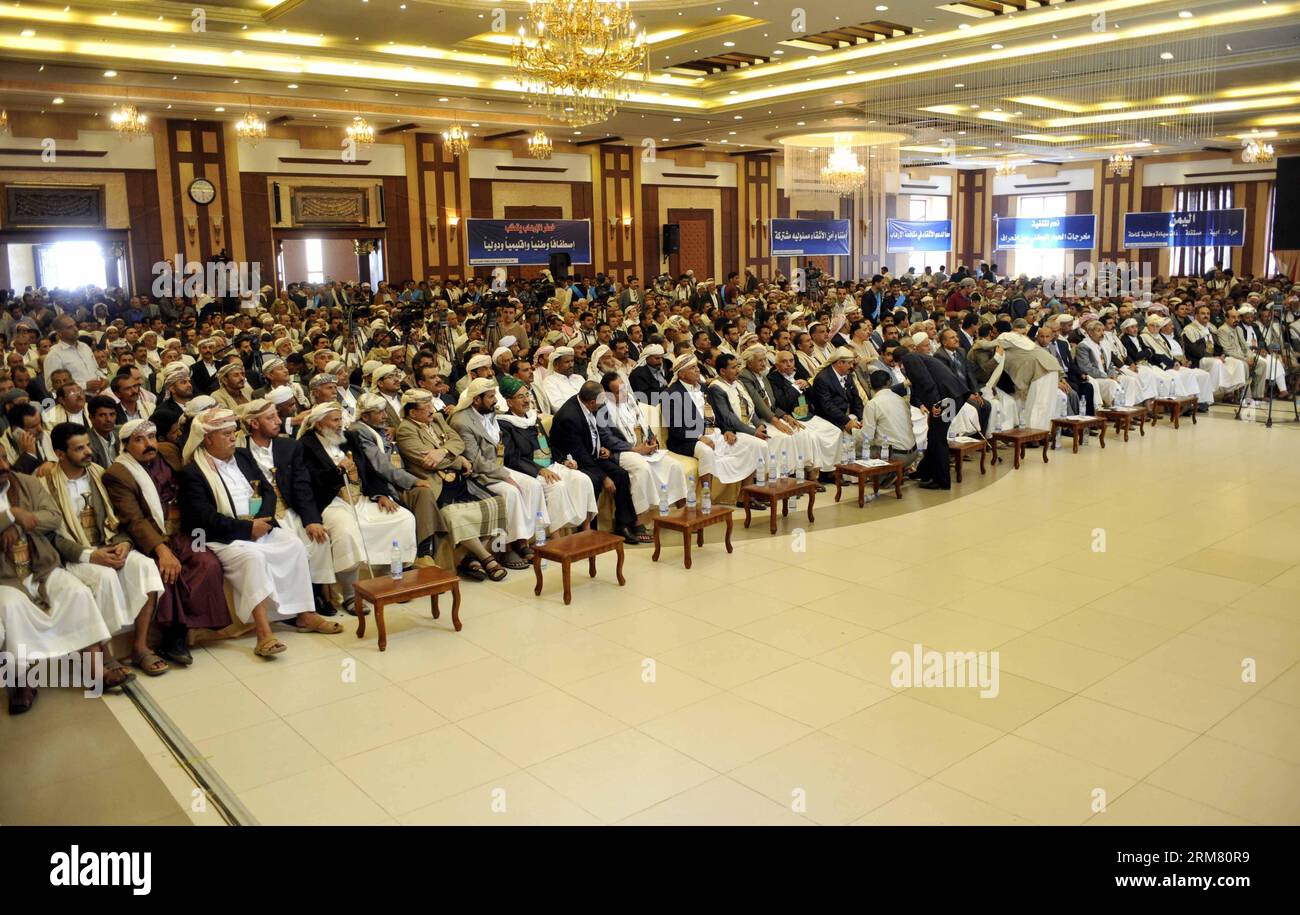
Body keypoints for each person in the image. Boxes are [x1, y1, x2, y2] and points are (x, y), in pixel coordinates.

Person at [177, 407, 341, 657]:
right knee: (253, 558)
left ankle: (304, 614)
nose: (233, 438)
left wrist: (261, 520)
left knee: (294, 544)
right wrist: (247, 529)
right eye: (226, 434)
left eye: (233, 433)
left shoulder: (242, 456)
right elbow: (204, 518)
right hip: (224, 537)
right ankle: (264, 633)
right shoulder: (193, 472)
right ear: (208, 439)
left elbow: (266, 490)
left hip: (257, 526)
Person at [0, 449, 131, 713]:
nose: (4, 465)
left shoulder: (26, 482)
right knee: (10, 607)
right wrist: (10, 516)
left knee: (77, 593)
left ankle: (96, 672)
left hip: (41, 566)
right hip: (5, 577)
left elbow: (52, 517)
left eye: (3, 457)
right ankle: (21, 682)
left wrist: (21, 523)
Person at [102, 418, 230, 667]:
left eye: (151, 437)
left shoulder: (168, 452)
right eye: (139, 440)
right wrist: (161, 550)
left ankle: (184, 630)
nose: (148, 444)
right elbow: (134, 520)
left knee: (208, 563)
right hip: (150, 537)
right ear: (126, 445)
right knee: (168, 571)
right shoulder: (118, 474)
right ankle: (175, 637)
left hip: (184, 532)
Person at [45, 422, 167, 677]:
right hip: (74, 555)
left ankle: (140, 646)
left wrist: (125, 543)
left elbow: (119, 518)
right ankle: (105, 655)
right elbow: (50, 536)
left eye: (88, 445)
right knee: (104, 577)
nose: (88, 452)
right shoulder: (46, 485)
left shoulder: (100, 474)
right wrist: (90, 555)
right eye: (79, 448)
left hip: (109, 544)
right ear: (60, 454)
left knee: (145, 566)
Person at [297, 401, 418, 613]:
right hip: (331, 501)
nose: (340, 424)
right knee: (346, 531)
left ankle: (389, 577)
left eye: (340, 419)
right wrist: (337, 471)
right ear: (319, 424)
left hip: (360, 497)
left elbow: (369, 470)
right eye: (335, 420)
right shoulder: (305, 446)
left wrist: (381, 494)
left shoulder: (349, 437)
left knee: (403, 518)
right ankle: (351, 594)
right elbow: (312, 482)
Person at [393, 388, 511, 582]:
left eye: (431, 405)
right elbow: (427, 462)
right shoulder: (406, 430)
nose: (432, 410)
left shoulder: (437, 419)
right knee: (454, 515)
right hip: (436, 483)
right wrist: (459, 460)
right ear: (412, 412)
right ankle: (486, 558)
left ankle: (468, 558)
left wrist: (442, 451)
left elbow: (458, 442)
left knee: (496, 503)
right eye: (426, 407)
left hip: (458, 479)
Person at [449, 377, 547, 570]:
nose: (495, 400)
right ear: (476, 399)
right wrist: (505, 476)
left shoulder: (490, 412)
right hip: (480, 474)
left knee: (533, 485)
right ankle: (506, 548)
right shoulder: (462, 422)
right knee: (511, 492)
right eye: (490, 396)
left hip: (498, 467)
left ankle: (523, 541)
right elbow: (476, 461)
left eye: (495, 395)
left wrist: (505, 473)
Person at [497, 375, 597, 534]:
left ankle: (586, 532)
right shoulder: (504, 424)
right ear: (509, 402)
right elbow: (511, 458)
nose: (526, 400)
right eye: (520, 397)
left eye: (527, 395)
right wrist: (539, 470)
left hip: (550, 465)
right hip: (529, 470)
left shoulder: (533, 419)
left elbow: (548, 446)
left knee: (582, 479)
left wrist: (563, 461)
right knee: (557, 486)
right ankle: (557, 539)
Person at [549, 380, 642, 544]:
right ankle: (588, 531)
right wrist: (604, 477)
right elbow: (579, 454)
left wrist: (604, 447)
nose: (604, 403)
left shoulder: (592, 404)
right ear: (592, 402)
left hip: (593, 454)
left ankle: (623, 524)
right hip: (573, 460)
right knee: (594, 480)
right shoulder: (569, 417)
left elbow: (601, 432)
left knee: (621, 475)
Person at [662, 355, 766, 491]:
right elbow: (676, 429)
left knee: (755, 444)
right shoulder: (670, 394)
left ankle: (746, 494)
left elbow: (717, 414)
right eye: (692, 368)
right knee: (706, 452)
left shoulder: (703, 388)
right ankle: (707, 498)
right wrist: (699, 437)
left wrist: (727, 430)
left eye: (697, 366)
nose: (698, 370)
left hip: (715, 434)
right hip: (687, 440)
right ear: (681, 374)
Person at [892, 344, 969, 490]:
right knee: (933, 435)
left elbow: (925, 382)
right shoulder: (917, 357)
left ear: (897, 361)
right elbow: (920, 385)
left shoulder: (909, 359)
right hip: (952, 397)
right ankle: (925, 471)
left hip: (946, 399)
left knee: (938, 439)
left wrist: (935, 404)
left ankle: (942, 480)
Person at [859, 370, 918, 468]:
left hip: (895, 456)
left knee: (855, 449)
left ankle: (885, 474)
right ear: (889, 382)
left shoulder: (872, 404)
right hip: (913, 453)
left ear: (870, 385)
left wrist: (854, 432)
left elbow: (867, 437)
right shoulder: (901, 400)